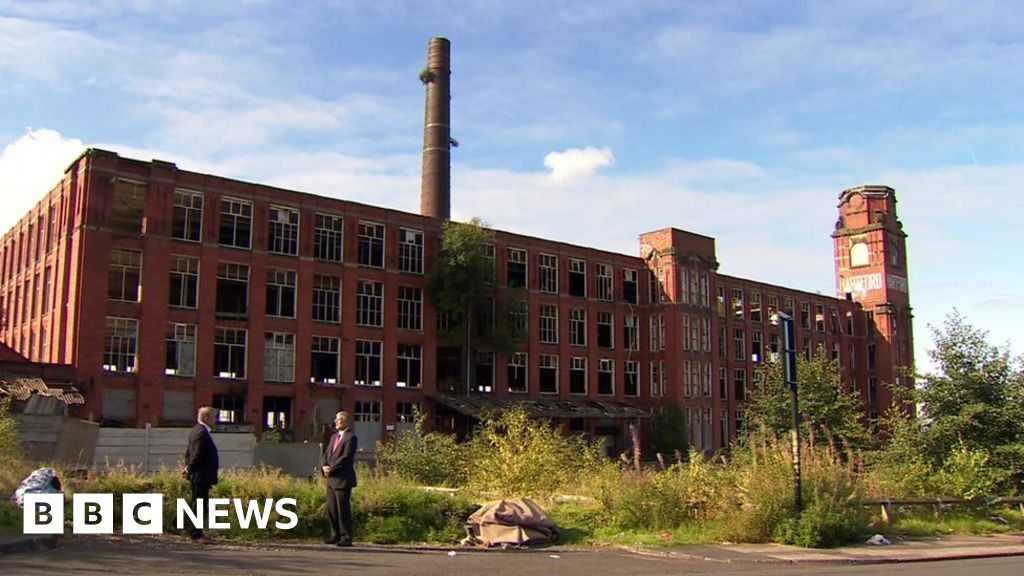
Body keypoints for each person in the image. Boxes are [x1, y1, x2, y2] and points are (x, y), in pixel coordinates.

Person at [181, 406, 219, 543]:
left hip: (200, 475)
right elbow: (197, 455)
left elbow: (188, 453)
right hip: (201, 476)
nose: (216, 420)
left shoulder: (197, 431)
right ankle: (196, 535)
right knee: (199, 505)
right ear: (206, 418)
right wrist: (189, 469)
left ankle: (195, 532)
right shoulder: (202, 433)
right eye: (214, 417)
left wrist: (187, 468)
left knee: (198, 504)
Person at [321, 410, 358, 546]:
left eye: (338, 420)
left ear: (345, 421)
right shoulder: (333, 437)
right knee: (331, 509)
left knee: (342, 509)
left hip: (342, 479)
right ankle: (334, 535)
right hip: (331, 479)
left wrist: (332, 468)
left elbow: (346, 458)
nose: (336, 422)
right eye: (336, 419)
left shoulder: (351, 437)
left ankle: (346, 537)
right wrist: (324, 466)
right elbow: (326, 454)